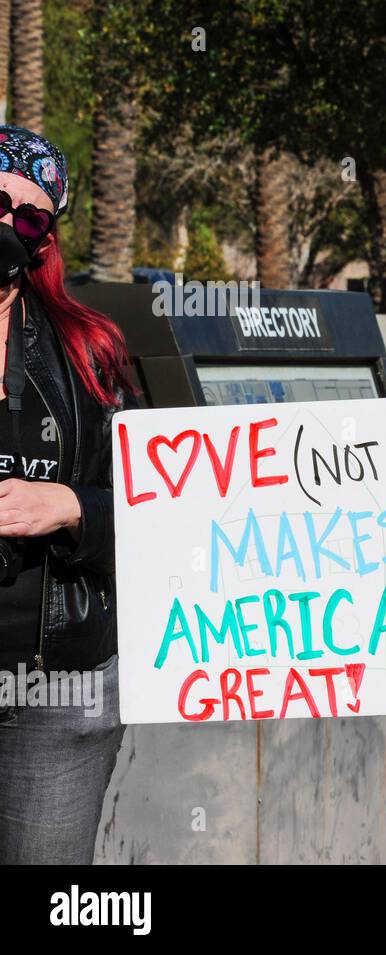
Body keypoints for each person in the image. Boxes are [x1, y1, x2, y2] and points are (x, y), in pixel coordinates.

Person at [0, 126, 134, 864]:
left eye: (29, 217)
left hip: (56, 694)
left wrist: (71, 506)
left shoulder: (91, 346)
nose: (8, 225)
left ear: (45, 238)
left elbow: (166, 505)